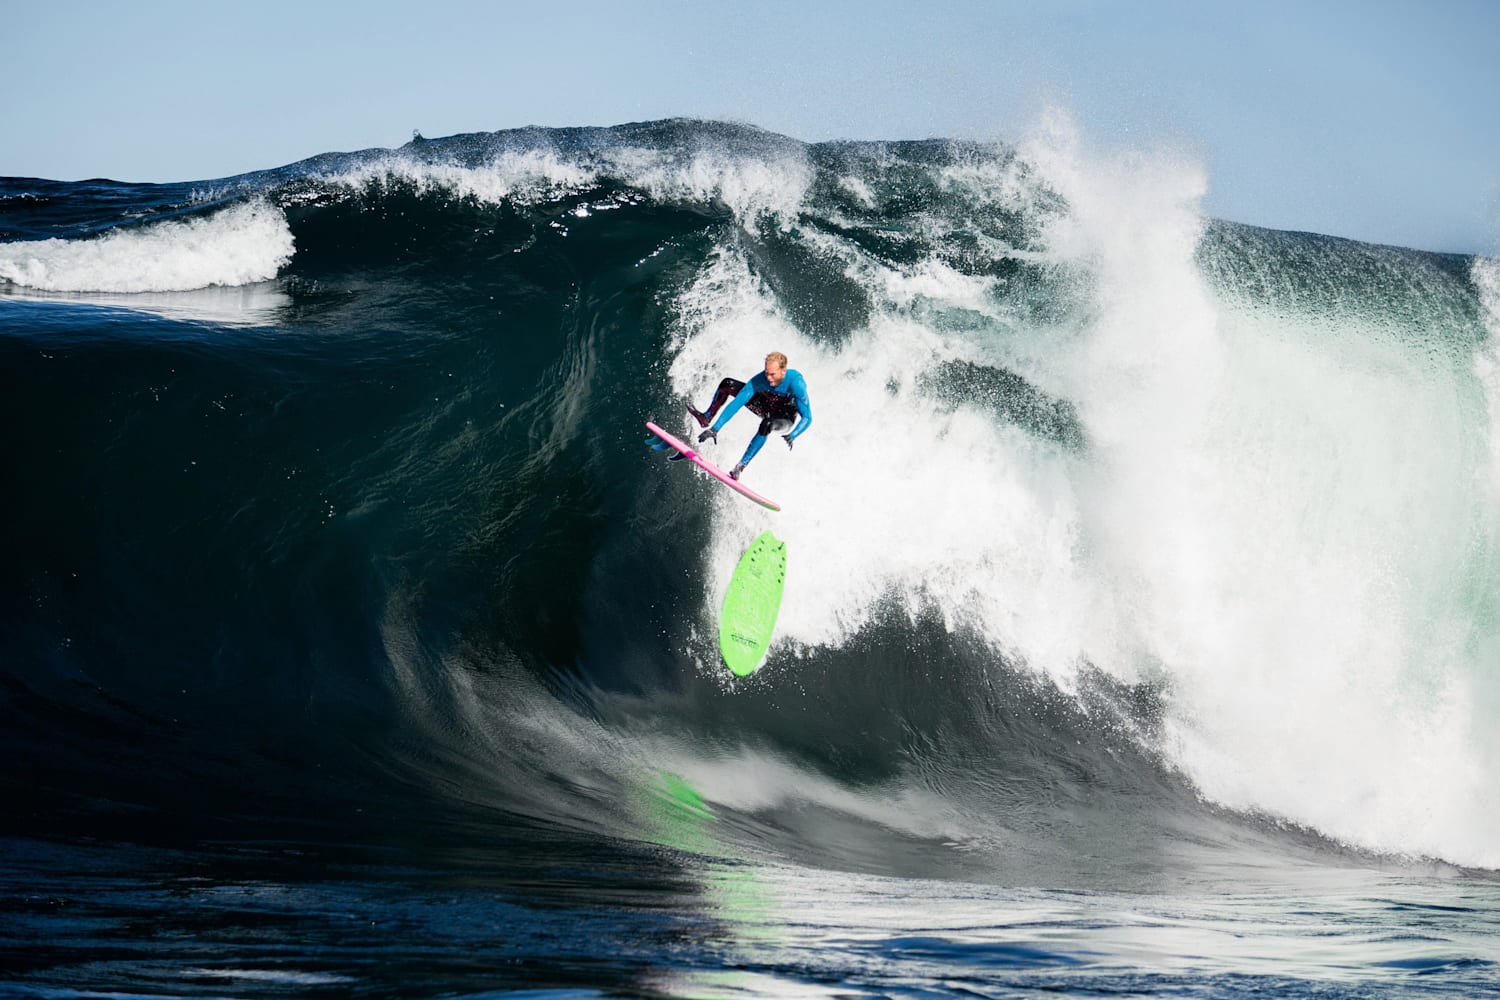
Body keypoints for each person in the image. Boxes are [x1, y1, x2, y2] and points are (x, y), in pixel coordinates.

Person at [687, 351, 812, 479]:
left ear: (783, 371)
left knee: (767, 424)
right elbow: (738, 402)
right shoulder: (760, 379)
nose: (768, 378)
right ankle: (706, 418)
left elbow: (807, 416)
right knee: (728, 384)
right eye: (766, 373)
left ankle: (740, 466)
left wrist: (793, 435)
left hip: (785, 418)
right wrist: (715, 429)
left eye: (772, 374)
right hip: (766, 407)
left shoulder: (796, 383)